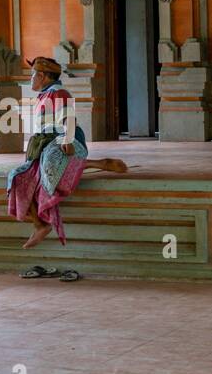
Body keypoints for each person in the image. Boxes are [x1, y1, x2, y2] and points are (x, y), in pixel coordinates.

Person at [7, 57, 127, 249]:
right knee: (17, 177)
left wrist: (68, 140)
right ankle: (40, 225)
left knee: (49, 168)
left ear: (43, 76)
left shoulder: (59, 93)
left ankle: (95, 163)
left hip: (62, 141)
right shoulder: (43, 96)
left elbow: (68, 119)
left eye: (33, 75)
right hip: (45, 144)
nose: (31, 79)